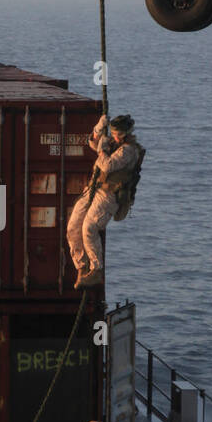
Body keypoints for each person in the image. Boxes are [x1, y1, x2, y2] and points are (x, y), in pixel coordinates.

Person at [66, 113, 144, 290]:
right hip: (93, 188)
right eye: (113, 133)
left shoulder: (129, 150)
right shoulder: (112, 143)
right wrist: (99, 128)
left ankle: (96, 270)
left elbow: (107, 165)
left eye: (117, 134)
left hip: (109, 195)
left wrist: (102, 150)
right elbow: (94, 142)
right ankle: (81, 266)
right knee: (72, 227)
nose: (114, 136)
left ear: (125, 134)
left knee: (89, 228)